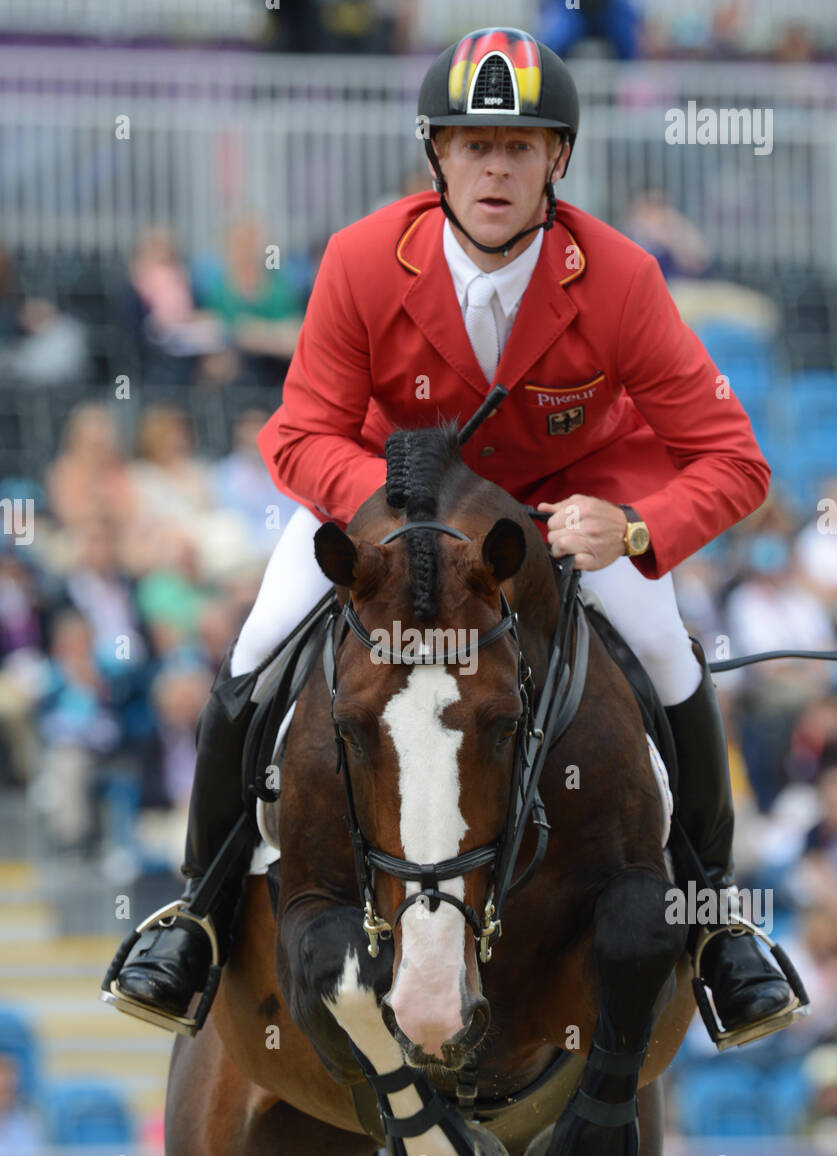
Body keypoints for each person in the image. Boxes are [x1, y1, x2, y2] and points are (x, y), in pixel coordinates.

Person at [107, 26, 801, 1051]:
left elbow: (736, 462)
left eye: (519, 146)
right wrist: (384, 503)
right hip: (391, 520)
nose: (493, 167)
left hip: (562, 524)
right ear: (436, 153)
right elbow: (297, 432)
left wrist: (637, 524)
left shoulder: (616, 277)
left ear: (557, 159)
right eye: (473, 145)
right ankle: (197, 915)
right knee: (252, 657)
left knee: (670, 659)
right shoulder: (359, 260)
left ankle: (711, 931)